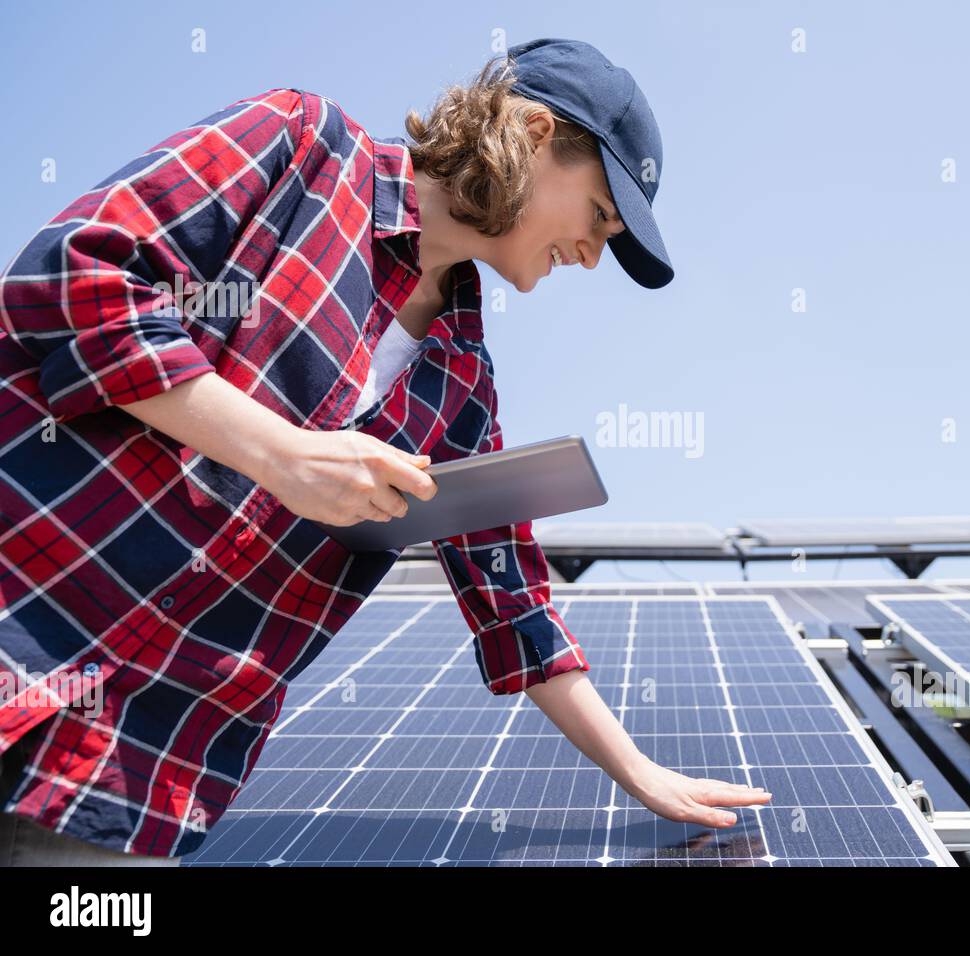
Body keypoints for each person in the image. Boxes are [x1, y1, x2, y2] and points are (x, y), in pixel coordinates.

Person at [0, 37, 770, 866]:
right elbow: (73, 281)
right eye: (600, 217)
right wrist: (280, 454)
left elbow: (512, 603)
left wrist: (640, 771)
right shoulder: (300, 148)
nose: (592, 254)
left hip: (128, 774)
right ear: (538, 135)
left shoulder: (461, 388)